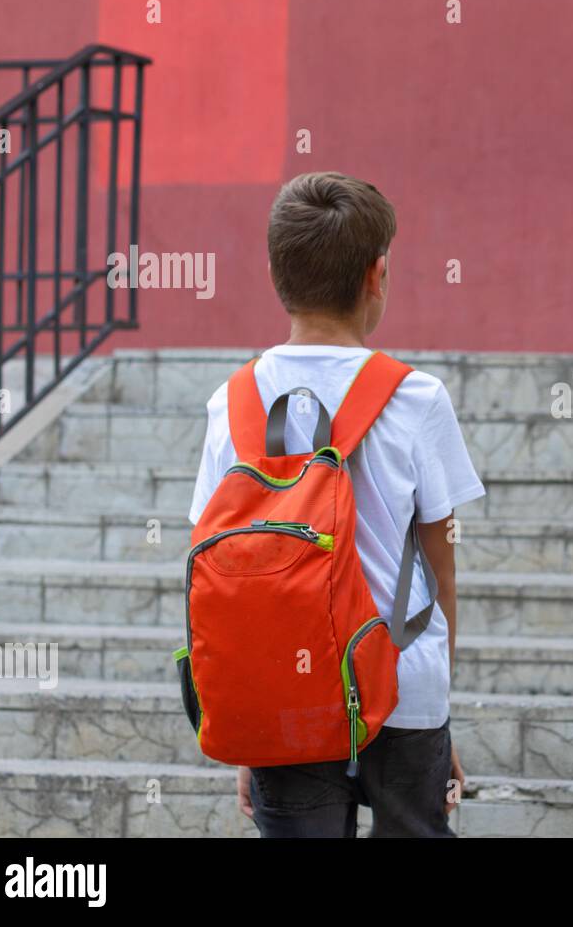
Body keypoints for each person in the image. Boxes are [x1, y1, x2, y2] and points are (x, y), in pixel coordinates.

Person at [188, 171, 485, 837]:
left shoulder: (230, 404)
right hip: (402, 688)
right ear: (377, 274)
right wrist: (433, 702)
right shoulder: (416, 398)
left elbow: (216, 566)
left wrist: (246, 718)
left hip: (280, 695)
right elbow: (442, 567)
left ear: (274, 273)